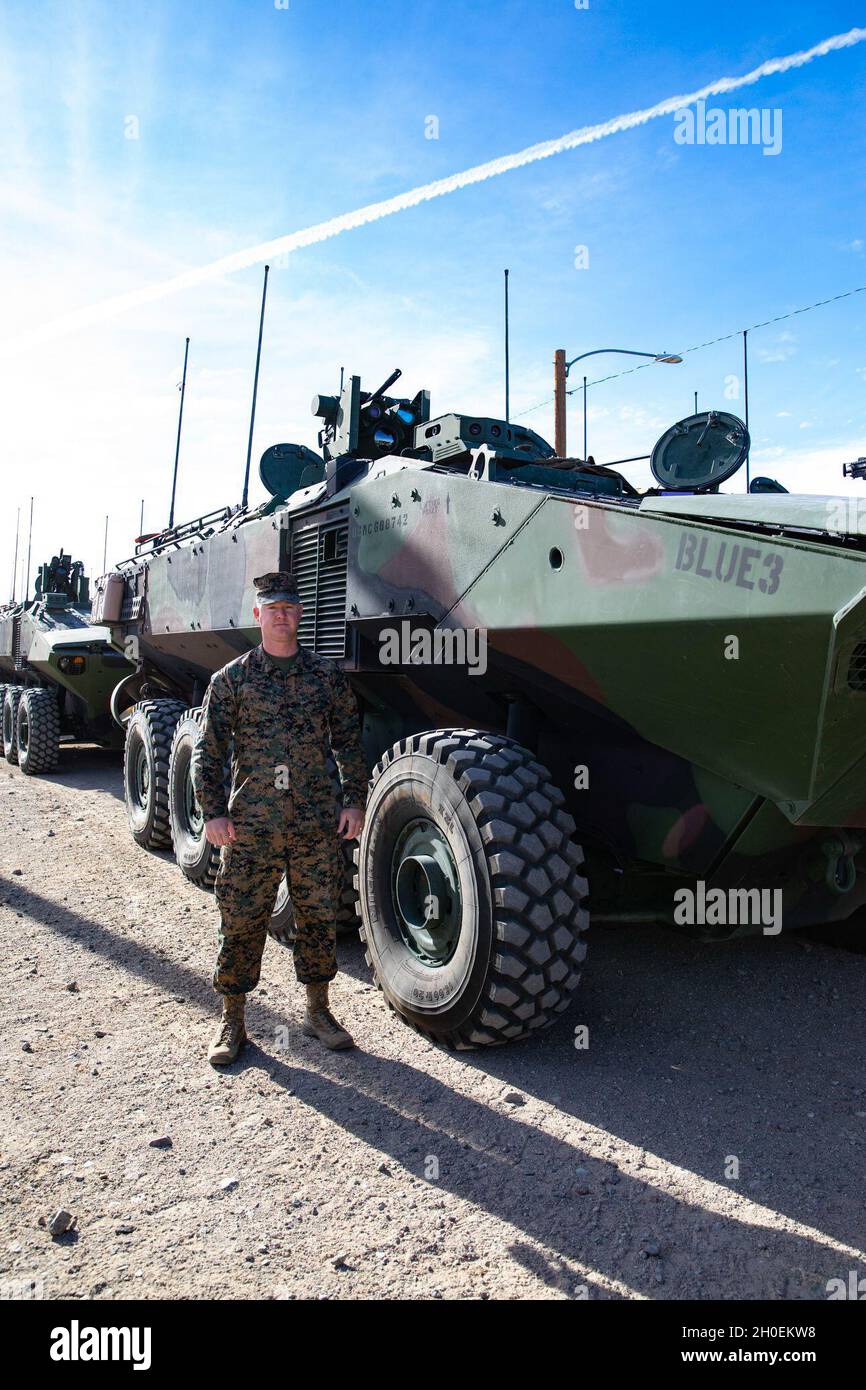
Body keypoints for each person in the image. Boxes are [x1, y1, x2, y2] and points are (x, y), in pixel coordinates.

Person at [191, 571, 367, 1065]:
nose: (282, 615)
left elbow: (348, 742)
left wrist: (354, 800)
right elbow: (210, 751)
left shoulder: (326, 677)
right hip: (251, 825)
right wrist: (213, 813)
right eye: (272, 608)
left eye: (289, 607)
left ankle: (317, 1012)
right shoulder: (232, 680)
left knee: (317, 918)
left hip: (315, 823)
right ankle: (233, 1020)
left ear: (300, 614)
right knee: (241, 920)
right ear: (257, 616)